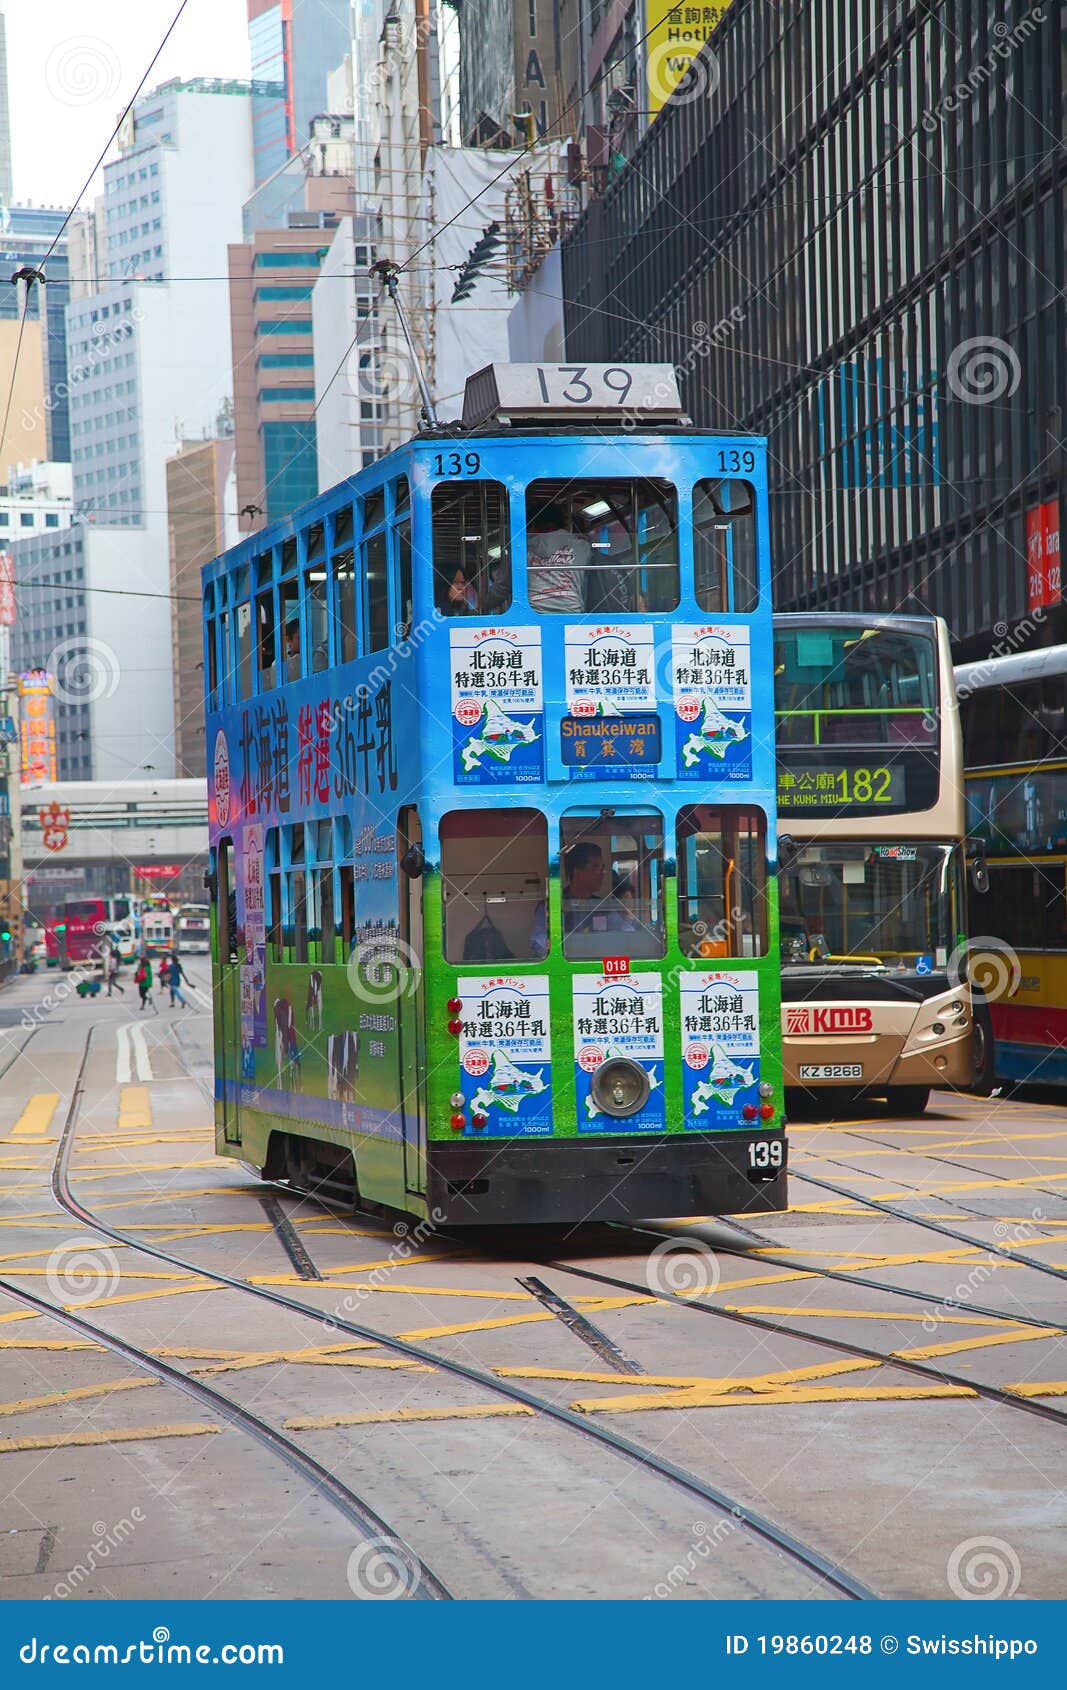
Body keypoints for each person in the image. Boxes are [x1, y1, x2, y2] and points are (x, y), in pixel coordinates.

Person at [526, 500, 593, 614]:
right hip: (571, 609)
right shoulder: (583, 546)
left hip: (534, 611)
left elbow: (503, 587)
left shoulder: (523, 547)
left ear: (533, 524)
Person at [562, 842, 634, 937]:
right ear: (577, 871)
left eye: (602, 868)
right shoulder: (554, 906)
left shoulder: (602, 907)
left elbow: (627, 932)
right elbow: (543, 940)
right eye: (596, 867)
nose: (603, 873)